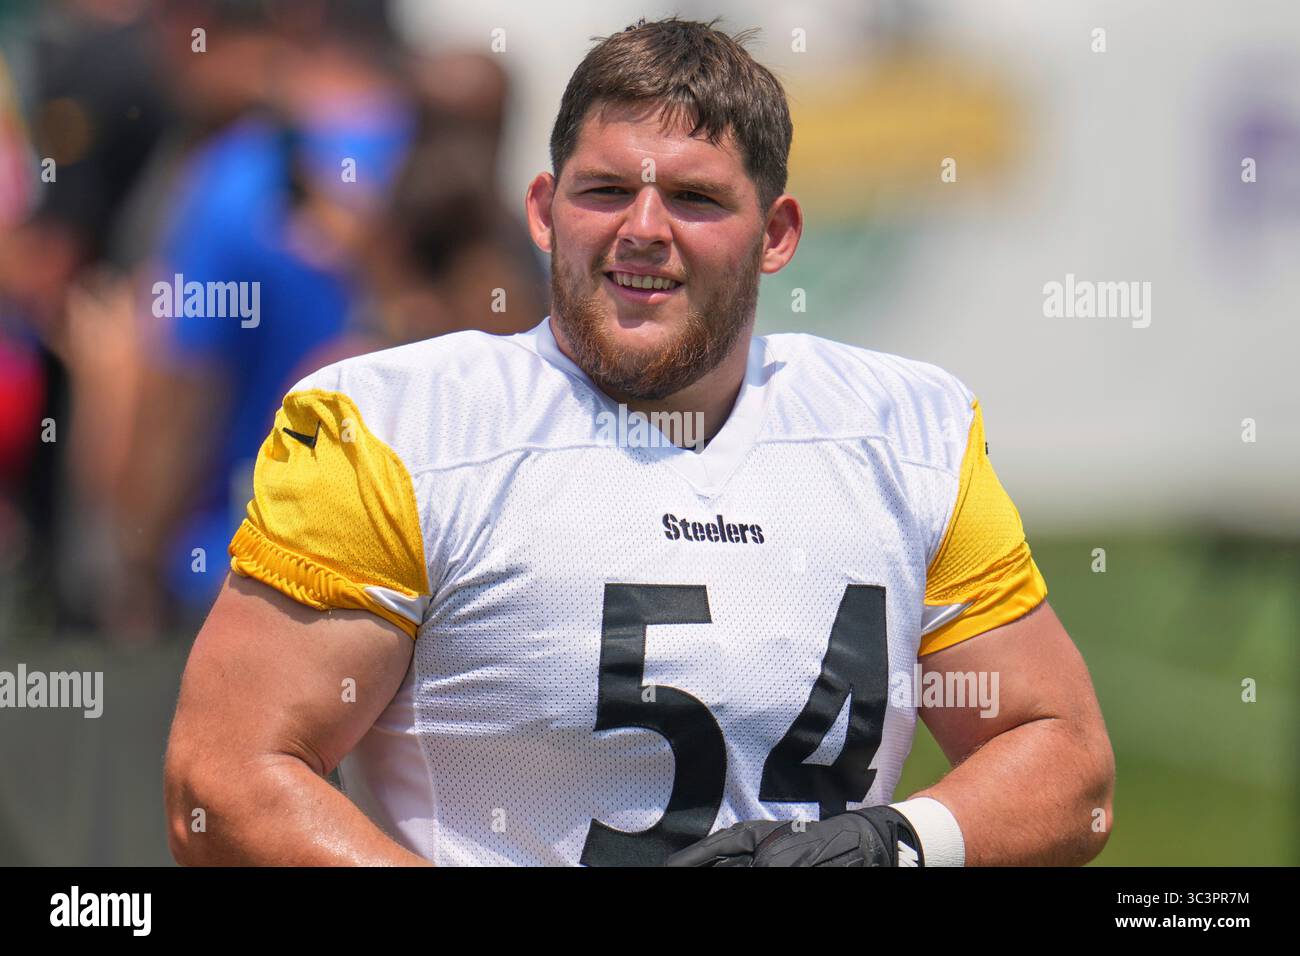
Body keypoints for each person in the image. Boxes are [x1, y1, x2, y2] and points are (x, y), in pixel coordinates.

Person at [164, 16, 1114, 867]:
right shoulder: (399, 429)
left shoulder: (904, 430)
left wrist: (893, 844)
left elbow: (1065, 763)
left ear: (777, 232)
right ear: (543, 211)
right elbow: (225, 780)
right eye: (606, 190)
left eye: (696, 199)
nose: (643, 230)